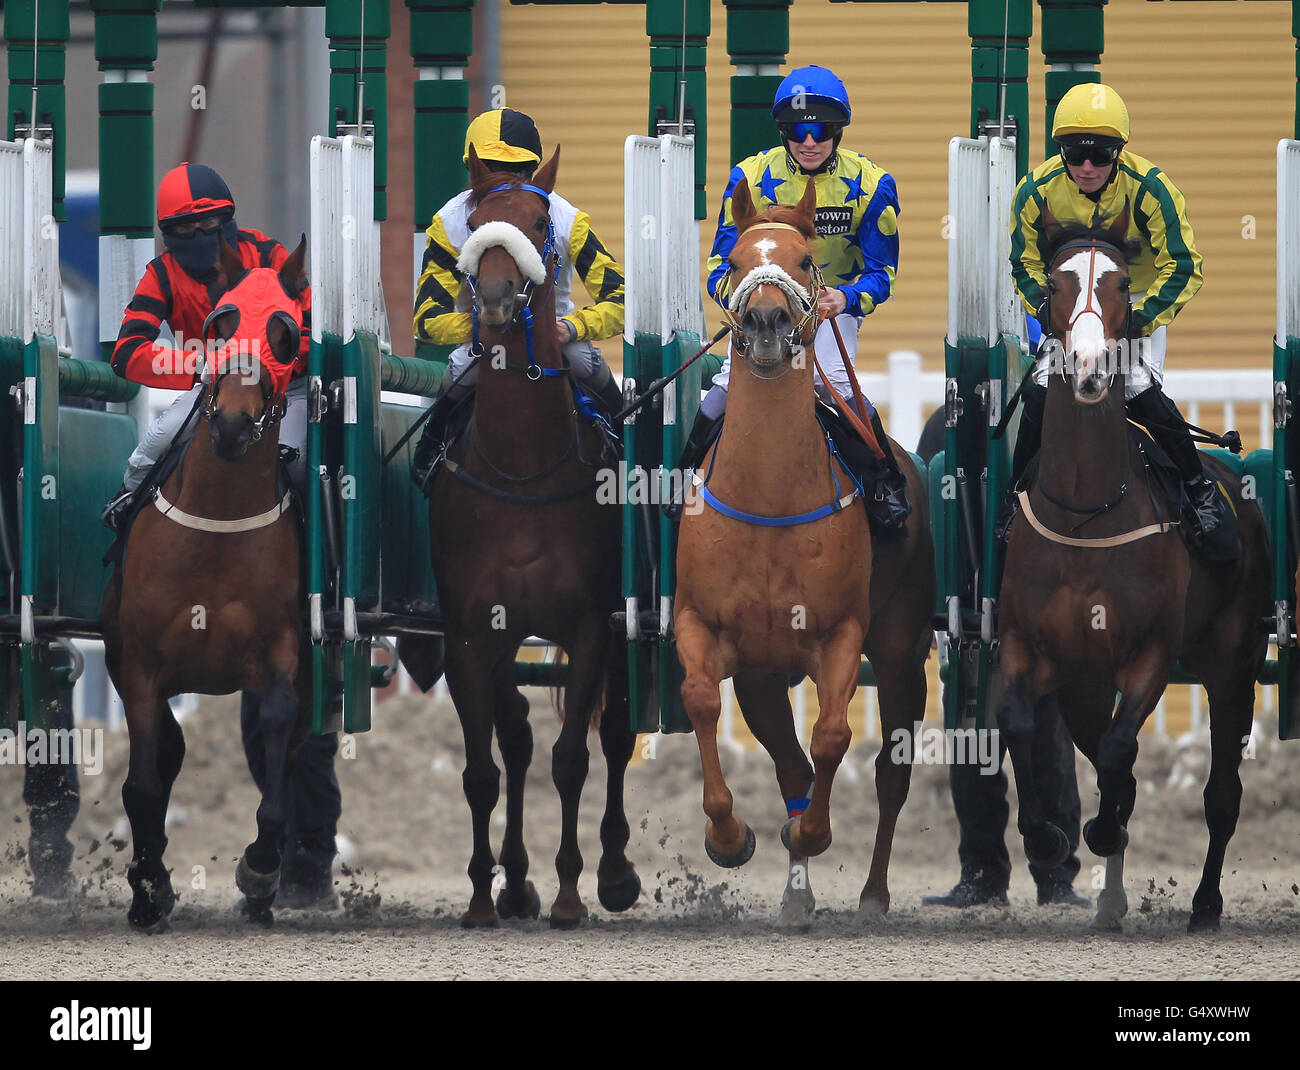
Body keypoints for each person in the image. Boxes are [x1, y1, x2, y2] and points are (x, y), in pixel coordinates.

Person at [100, 162, 340, 909]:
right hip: (207, 389)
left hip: (283, 390)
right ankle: (126, 518)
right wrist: (204, 363)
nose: (204, 242)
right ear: (170, 235)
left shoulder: (271, 258)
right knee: (148, 458)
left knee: (312, 476)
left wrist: (269, 371)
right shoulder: (160, 274)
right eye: (188, 232)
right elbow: (127, 351)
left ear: (232, 222)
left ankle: (333, 586)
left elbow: (316, 323)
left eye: (214, 227)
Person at [670, 64, 910, 532]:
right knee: (720, 394)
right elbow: (720, 266)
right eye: (797, 131)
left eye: (821, 129)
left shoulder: (874, 183)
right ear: (784, 132)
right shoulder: (749, 177)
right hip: (758, 308)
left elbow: (883, 273)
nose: (809, 141)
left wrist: (846, 299)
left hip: (826, 309)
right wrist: (741, 301)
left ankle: (885, 483)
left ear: (837, 132)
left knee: (837, 388)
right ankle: (681, 484)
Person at [995, 82, 1220, 548]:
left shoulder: (1151, 189)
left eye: (1101, 155)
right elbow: (1023, 262)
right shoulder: (1036, 191)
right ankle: (1014, 495)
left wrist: (1139, 318)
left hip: (1129, 304)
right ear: (1061, 153)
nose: (1087, 167)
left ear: (1119, 152)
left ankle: (1199, 488)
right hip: (1070, 310)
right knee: (1040, 391)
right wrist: (1047, 308)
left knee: (1139, 389)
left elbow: (1183, 265)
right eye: (1075, 155)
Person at [410, 108, 627, 490]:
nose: (507, 183)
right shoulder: (449, 221)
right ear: (474, 170)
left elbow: (621, 300)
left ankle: (630, 454)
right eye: (492, 169)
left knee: (585, 362)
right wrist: (484, 325)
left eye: (519, 172)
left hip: (557, 337)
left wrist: (571, 327)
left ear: (534, 170)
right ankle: (430, 453)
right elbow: (426, 321)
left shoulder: (568, 219)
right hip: (480, 344)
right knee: (458, 374)